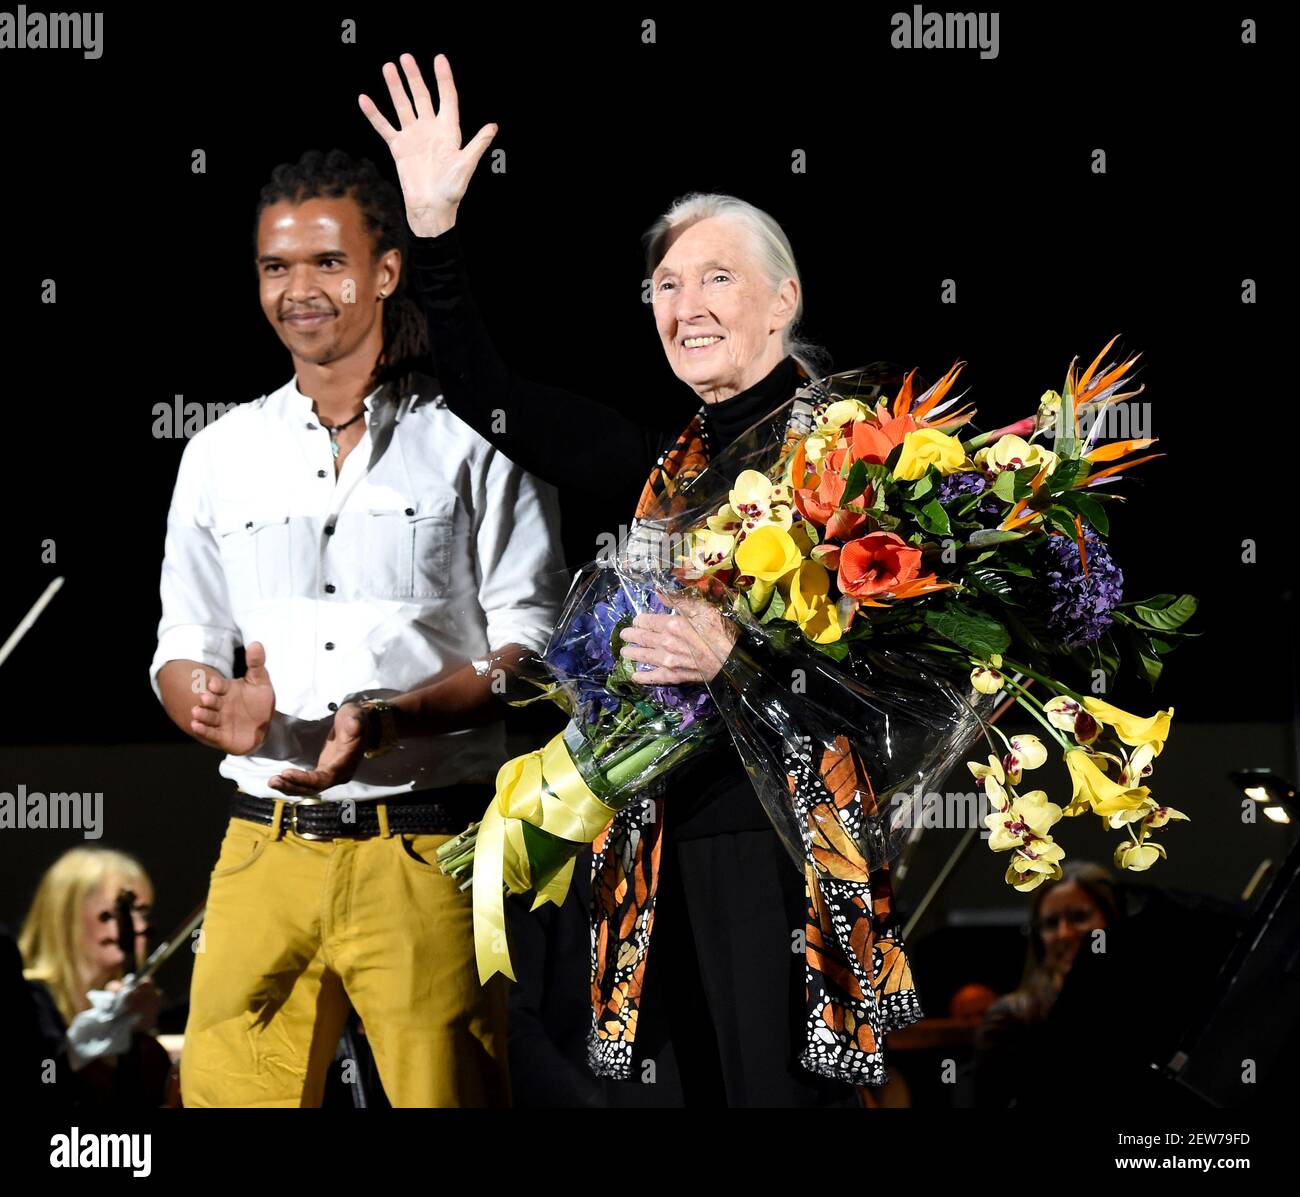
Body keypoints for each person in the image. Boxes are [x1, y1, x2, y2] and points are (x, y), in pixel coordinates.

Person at [356, 52, 919, 1106]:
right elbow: (489, 396)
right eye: (664, 284)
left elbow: (909, 680)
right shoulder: (660, 470)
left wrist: (737, 654)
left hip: (782, 859)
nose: (685, 303)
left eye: (715, 277)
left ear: (782, 299)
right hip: (651, 858)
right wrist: (431, 231)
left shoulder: (864, 460)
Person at [148, 147, 567, 1107]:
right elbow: (180, 645)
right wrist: (208, 706)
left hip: (424, 849)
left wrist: (398, 715)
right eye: (275, 267)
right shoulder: (219, 453)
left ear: (385, 271)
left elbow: (534, 652)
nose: (299, 290)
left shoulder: (476, 437)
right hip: (262, 848)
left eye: (327, 262)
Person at [18, 847, 171, 1108]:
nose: (140, 927)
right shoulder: (24, 1002)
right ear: (66, 915)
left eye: (143, 913)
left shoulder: (136, 1006)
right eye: (118, 911)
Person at [971, 861, 1118, 1107]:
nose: (1065, 933)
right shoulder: (1009, 1020)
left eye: (1079, 917)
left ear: (1113, 917)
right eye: (1051, 924)